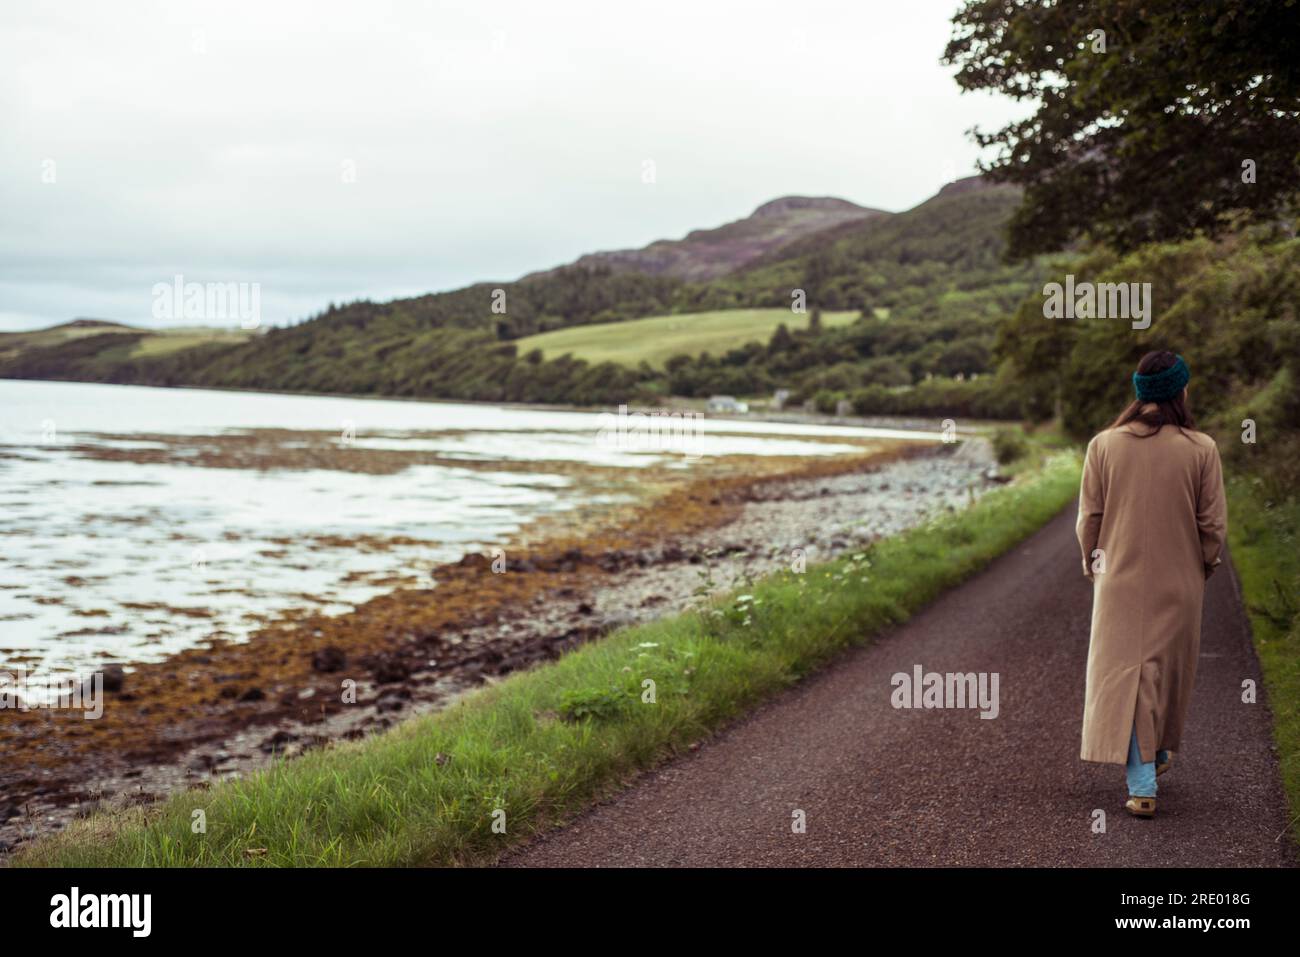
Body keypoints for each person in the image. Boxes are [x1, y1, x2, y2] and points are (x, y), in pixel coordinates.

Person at [1075, 350, 1227, 818]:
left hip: (1118, 579)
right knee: (1163, 672)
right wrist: (1205, 565)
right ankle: (1147, 771)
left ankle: (1146, 770)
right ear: (1181, 390)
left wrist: (1093, 564)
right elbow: (1212, 525)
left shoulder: (1103, 445)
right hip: (1180, 579)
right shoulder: (1201, 448)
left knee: (1128, 672)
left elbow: (1090, 519)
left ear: (1139, 392)